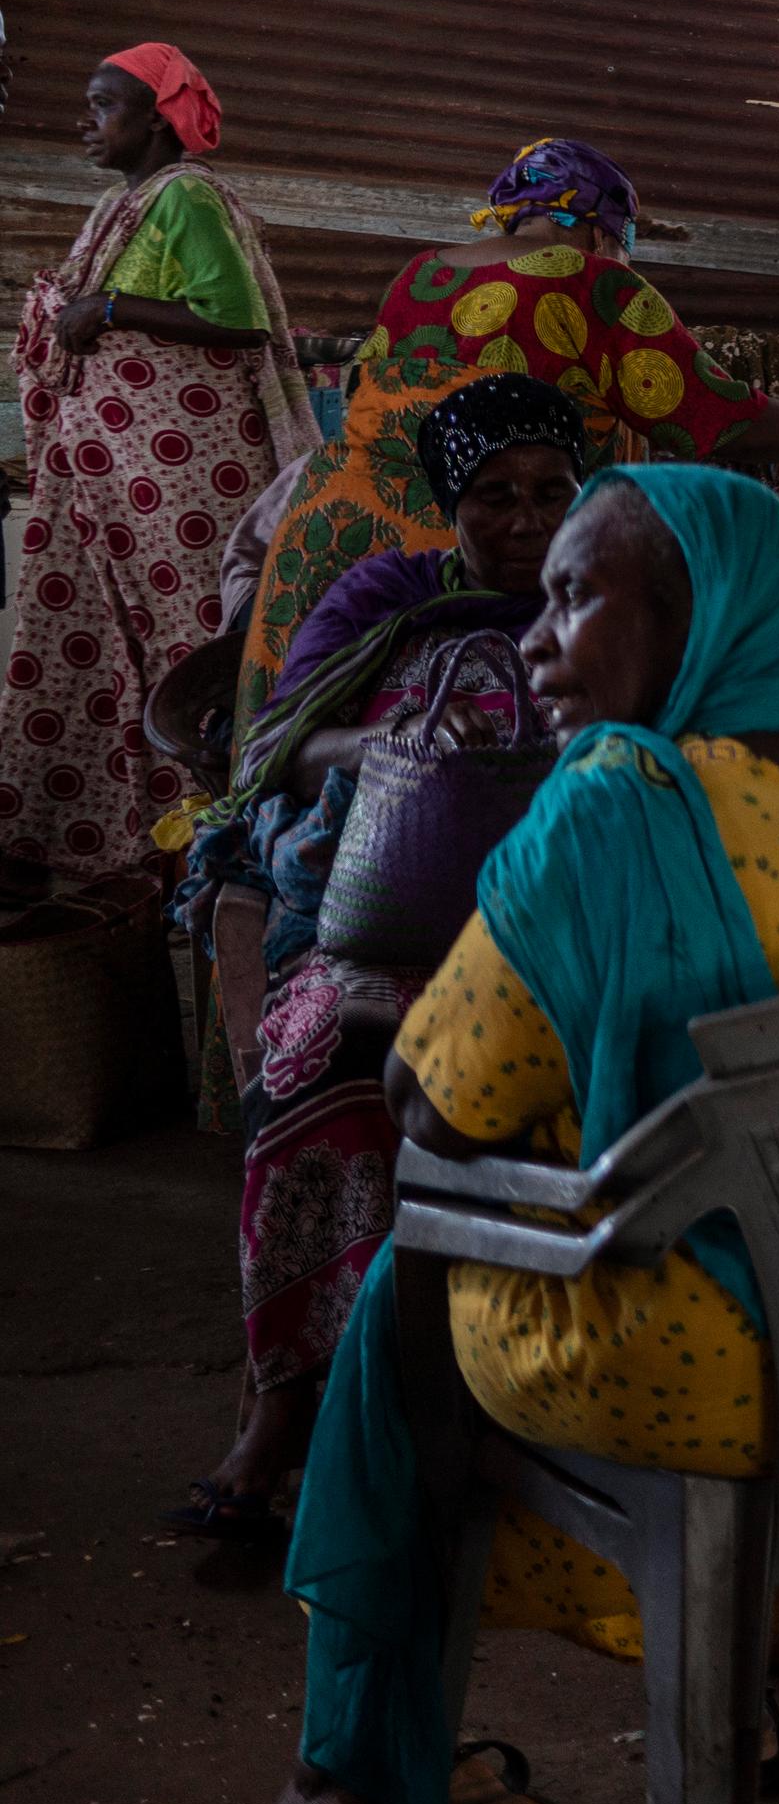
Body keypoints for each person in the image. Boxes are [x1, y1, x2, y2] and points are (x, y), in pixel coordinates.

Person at [228, 464, 779, 1804]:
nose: (533, 637)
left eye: (576, 596)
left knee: (413, 1267)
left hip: (738, 1379)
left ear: (696, 617)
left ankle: (364, 1751)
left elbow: (434, 1104)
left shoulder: (618, 805)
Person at [167, 377, 591, 1546]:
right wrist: (385, 739)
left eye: (553, 491)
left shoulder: (608, 600)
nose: (524, 521)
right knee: (334, 1064)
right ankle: (293, 1403)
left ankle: (487, 1415)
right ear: (449, 502)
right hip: (377, 909)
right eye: (492, 496)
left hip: (547, 924)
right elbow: (276, 748)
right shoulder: (391, 592)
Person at [235, 138, 779, 737]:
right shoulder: (595, 285)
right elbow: (716, 417)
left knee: (310, 762)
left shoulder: (420, 274)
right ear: (602, 229)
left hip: (331, 544)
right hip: (467, 565)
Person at [2, 47, 318, 886]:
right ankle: (153, 849)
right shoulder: (124, 201)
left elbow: (236, 319)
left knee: (194, 644)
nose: (86, 120)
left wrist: (106, 308)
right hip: (129, 483)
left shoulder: (186, 196)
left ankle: (225, 848)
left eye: (104, 105)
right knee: (135, 644)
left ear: (157, 118)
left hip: (185, 479)